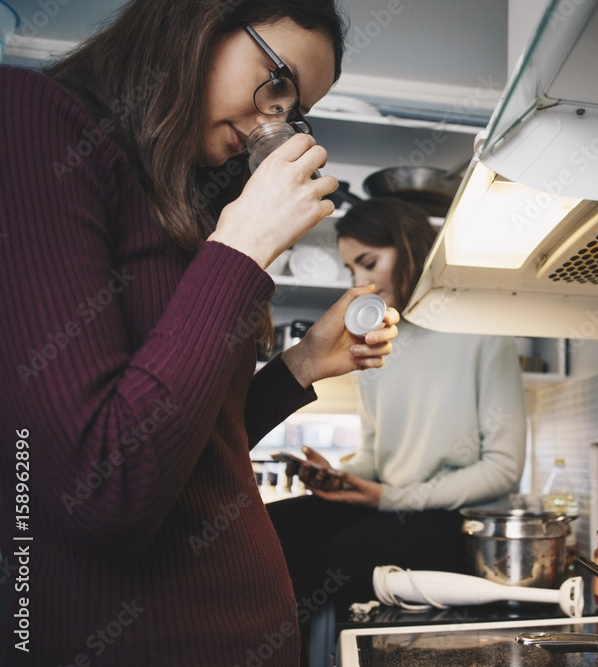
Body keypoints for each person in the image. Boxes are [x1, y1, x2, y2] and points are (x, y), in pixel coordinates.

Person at [0, 1, 400, 665]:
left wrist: (300, 365)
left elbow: (197, 443)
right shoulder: (33, 119)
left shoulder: (181, 193)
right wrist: (243, 248)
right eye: (277, 80)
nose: (275, 120)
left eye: (293, 108)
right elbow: (107, 483)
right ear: (199, 18)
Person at [266, 197, 527, 636]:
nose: (359, 283)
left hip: (461, 524)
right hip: (390, 507)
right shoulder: (375, 344)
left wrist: (386, 498)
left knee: (326, 563)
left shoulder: (482, 330)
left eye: (368, 263)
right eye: (352, 271)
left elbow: (503, 469)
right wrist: (344, 479)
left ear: (407, 246)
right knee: (270, 531)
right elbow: (374, 456)